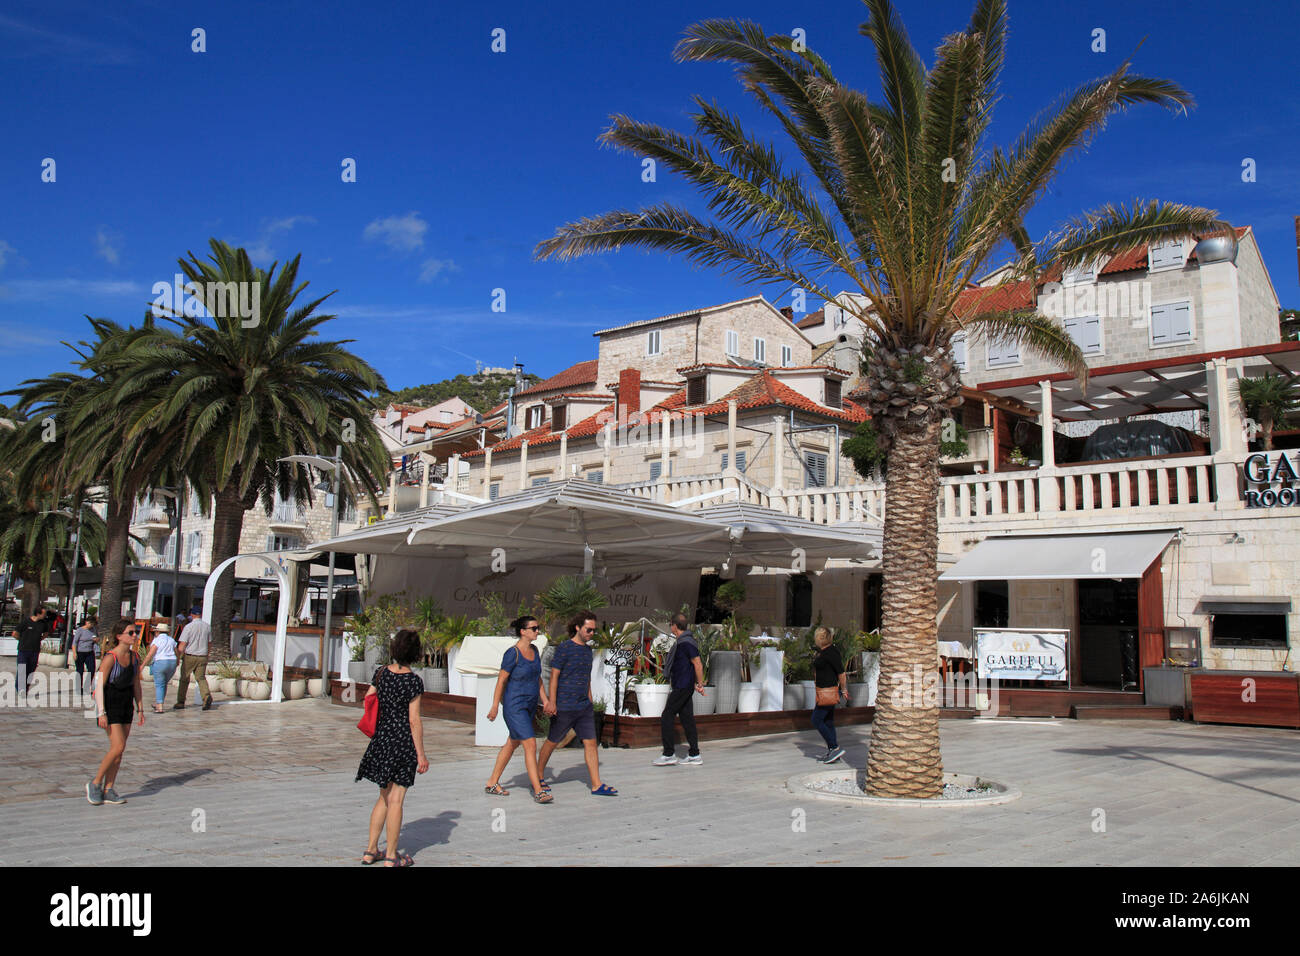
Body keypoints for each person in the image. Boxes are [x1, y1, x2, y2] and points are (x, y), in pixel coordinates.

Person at [356, 628, 429, 866]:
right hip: (402, 743)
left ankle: (370, 850)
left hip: (381, 740)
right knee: (396, 799)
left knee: (383, 797)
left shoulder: (380, 674)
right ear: (416, 653)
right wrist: (421, 755)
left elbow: (368, 698)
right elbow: (414, 721)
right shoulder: (413, 682)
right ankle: (391, 856)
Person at [537, 611, 616, 796]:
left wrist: (589, 700)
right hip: (564, 705)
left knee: (591, 743)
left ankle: (596, 784)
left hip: (583, 707)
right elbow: (554, 675)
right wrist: (552, 702)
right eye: (588, 630)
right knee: (552, 742)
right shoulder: (564, 648)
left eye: (594, 631)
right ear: (577, 628)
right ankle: (539, 776)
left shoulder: (588, 651)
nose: (591, 634)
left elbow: (586, 677)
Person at [483, 615, 553, 803]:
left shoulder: (535, 651)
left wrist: (545, 701)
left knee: (513, 743)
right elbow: (501, 680)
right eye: (534, 628)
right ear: (523, 631)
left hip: (529, 705)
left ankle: (492, 782)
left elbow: (537, 679)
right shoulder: (512, 654)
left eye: (538, 628)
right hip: (514, 706)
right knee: (530, 743)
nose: (537, 631)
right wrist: (495, 706)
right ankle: (538, 790)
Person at [87, 621, 144, 806]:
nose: (134, 636)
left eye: (135, 632)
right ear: (119, 636)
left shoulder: (135, 657)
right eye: (130, 633)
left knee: (120, 751)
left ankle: (108, 789)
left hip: (127, 704)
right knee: (117, 747)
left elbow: (136, 683)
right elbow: (98, 687)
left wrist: (141, 708)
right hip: (110, 703)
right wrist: (101, 712)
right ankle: (95, 783)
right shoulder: (110, 658)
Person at [654, 612, 705, 766]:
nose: (671, 627)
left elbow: (697, 663)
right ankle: (694, 754)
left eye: (671, 624)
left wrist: (700, 684)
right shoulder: (683, 642)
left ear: (674, 626)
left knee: (667, 715)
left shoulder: (686, 642)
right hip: (683, 685)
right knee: (687, 718)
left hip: (683, 686)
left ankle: (669, 753)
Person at [810, 626, 847, 763]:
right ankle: (833, 752)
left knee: (816, 719)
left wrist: (844, 690)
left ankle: (834, 747)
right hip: (823, 691)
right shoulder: (824, 651)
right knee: (828, 721)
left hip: (828, 692)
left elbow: (841, 673)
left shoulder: (831, 652)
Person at [174, 607, 213, 711]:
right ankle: (206, 696)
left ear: (192, 614)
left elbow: (182, 644)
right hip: (203, 656)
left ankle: (180, 702)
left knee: (184, 679)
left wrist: (178, 657)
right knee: (201, 678)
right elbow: (209, 643)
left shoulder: (188, 627)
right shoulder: (207, 627)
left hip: (190, 656)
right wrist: (207, 655)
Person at [12, 606, 51, 697]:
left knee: (30, 671)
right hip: (23, 650)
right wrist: (22, 641)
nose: (45, 616)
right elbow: (15, 633)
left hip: (35, 651)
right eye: (44, 614)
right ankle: (20, 689)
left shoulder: (43, 623)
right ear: (38, 613)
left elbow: (46, 633)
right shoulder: (26, 622)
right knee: (22, 670)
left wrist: (39, 639)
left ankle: (25, 688)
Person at [141, 623, 178, 714]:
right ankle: (159, 703)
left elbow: (150, 654)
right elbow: (176, 652)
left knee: (159, 684)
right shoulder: (171, 640)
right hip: (172, 662)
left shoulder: (157, 640)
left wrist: (142, 666)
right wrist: (177, 662)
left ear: (157, 631)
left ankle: (160, 707)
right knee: (164, 683)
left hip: (161, 662)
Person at [70, 616, 99, 697]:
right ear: (87, 622)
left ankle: (86, 687)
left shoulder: (93, 630)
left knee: (92, 669)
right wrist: (74, 653)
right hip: (80, 652)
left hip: (89, 652)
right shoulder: (80, 630)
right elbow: (74, 642)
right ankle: (79, 688)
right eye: (90, 623)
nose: (91, 625)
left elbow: (96, 638)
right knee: (80, 670)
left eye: (92, 624)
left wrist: (96, 640)